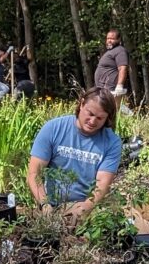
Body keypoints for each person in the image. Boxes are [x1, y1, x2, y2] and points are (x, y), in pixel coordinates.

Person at [25, 89, 122, 220]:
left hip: (88, 205)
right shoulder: (54, 128)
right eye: (90, 114)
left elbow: (102, 184)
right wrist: (45, 204)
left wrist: (85, 207)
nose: (92, 121)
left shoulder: (112, 142)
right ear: (81, 104)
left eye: (100, 118)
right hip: (53, 203)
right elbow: (34, 174)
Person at [94, 29, 130, 100]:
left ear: (119, 40)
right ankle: (130, 112)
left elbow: (123, 68)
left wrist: (119, 86)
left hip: (111, 89)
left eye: (112, 39)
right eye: (108, 38)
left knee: (112, 109)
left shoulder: (120, 51)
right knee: (116, 109)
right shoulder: (110, 52)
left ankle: (130, 112)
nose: (109, 41)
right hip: (104, 89)